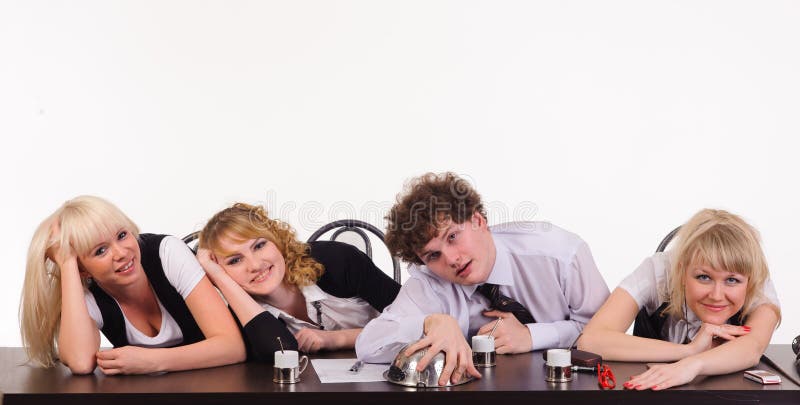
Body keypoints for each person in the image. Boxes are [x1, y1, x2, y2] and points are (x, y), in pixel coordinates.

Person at [355, 172, 610, 386]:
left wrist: (532, 336)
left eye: (453, 236)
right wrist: (430, 323)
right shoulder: (430, 282)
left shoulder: (559, 253)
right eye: (433, 255)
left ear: (478, 220)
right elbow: (369, 345)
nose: (452, 259)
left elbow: (607, 333)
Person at [20, 196, 245, 375]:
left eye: (121, 235)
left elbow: (233, 347)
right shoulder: (86, 295)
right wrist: (67, 262)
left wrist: (153, 361)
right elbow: (80, 362)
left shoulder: (167, 253)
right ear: (83, 270)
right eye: (100, 250)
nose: (121, 253)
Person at [578, 209, 781, 390]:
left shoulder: (757, 280)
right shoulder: (658, 271)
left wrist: (694, 364)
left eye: (732, 280)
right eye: (704, 277)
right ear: (682, 270)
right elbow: (592, 341)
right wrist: (688, 350)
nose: (717, 296)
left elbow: (753, 347)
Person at [196, 202, 401, 362]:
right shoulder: (240, 313)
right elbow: (277, 351)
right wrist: (218, 276)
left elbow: (417, 321)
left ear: (276, 240)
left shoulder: (337, 260)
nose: (255, 265)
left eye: (259, 246)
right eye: (235, 260)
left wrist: (336, 339)